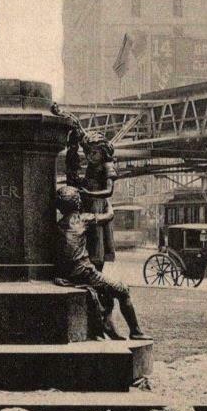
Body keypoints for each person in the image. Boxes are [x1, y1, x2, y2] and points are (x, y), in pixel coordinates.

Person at [55, 185, 148, 341]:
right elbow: (109, 216)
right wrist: (106, 200)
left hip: (69, 273)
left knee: (106, 292)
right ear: (76, 203)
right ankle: (135, 332)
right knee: (123, 290)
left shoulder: (58, 226)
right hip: (85, 272)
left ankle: (108, 326)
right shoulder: (82, 219)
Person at [66, 128, 117, 270]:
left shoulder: (108, 166)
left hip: (97, 205)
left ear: (103, 152)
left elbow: (109, 191)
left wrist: (89, 193)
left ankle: (96, 267)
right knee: (85, 236)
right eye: (87, 153)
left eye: (93, 153)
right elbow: (83, 136)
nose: (89, 157)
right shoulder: (92, 164)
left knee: (95, 238)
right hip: (87, 203)